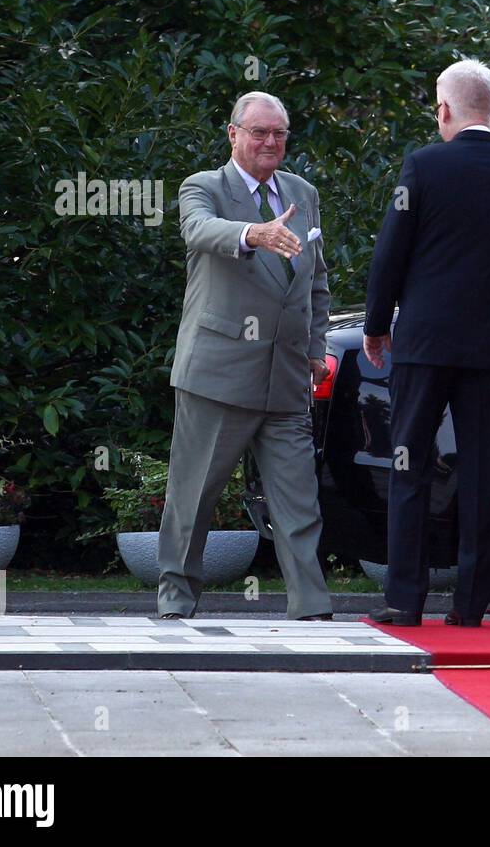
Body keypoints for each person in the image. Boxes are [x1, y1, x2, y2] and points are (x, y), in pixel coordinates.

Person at [363, 60, 490, 627]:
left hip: (423, 337)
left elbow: (392, 249)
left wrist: (376, 322)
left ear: (445, 110)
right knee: (485, 470)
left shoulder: (423, 165)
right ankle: (471, 605)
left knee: (409, 465)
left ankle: (403, 598)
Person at [159, 91, 333, 621]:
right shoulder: (203, 187)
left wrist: (317, 352)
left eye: (279, 133)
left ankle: (311, 606)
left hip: (285, 377)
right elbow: (198, 231)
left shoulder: (302, 192)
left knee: (299, 500)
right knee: (194, 497)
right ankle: (177, 598)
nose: (271, 142)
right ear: (233, 134)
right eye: (259, 132)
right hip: (218, 374)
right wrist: (253, 233)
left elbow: (316, 281)